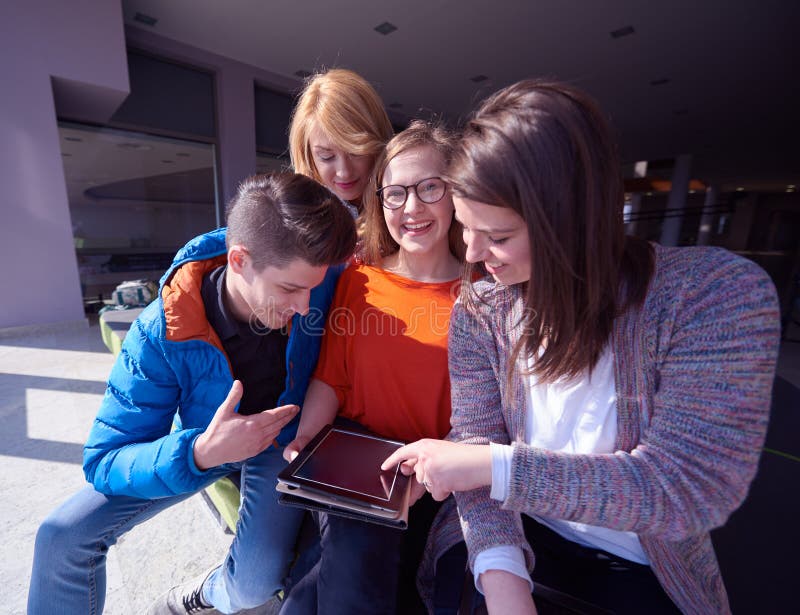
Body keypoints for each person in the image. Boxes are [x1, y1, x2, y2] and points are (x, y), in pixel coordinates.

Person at [383, 80, 781, 614]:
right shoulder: (481, 308)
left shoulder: (710, 295)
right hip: (508, 538)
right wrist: (505, 584)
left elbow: (686, 489)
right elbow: (476, 444)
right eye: (465, 228)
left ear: (571, 221)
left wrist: (494, 466)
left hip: (642, 563)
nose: (475, 256)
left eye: (498, 236)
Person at [28, 173, 357, 615]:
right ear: (239, 261)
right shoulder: (160, 329)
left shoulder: (320, 273)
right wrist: (201, 451)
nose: (304, 306)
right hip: (203, 443)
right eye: (289, 289)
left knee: (251, 587)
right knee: (60, 535)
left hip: (281, 447)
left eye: (312, 289)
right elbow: (105, 460)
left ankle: (204, 593)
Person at [279, 121, 463, 615]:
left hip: (435, 475)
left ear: (455, 193)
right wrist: (306, 444)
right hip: (355, 460)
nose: (412, 208)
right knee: (354, 567)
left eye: (429, 188)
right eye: (396, 193)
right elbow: (331, 378)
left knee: (312, 599)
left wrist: (433, 473)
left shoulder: (483, 290)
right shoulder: (359, 277)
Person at [289, 68, 394, 215]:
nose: (344, 172)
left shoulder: (405, 211)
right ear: (308, 155)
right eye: (326, 156)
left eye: (356, 152)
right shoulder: (294, 223)